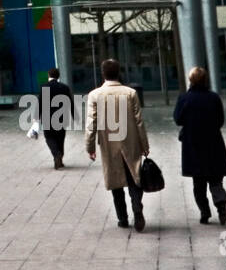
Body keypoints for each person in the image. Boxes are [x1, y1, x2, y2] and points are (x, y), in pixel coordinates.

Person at [85, 58, 149, 231]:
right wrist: (145, 145)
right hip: (131, 142)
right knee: (134, 177)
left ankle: (122, 218)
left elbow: (91, 123)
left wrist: (90, 147)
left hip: (108, 143)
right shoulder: (130, 93)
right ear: (118, 72)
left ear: (103, 73)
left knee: (116, 181)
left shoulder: (95, 95)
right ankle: (137, 208)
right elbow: (139, 122)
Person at [173, 66, 226, 225]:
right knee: (215, 180)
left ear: (190, 80)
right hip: (213, 143)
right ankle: (221, 206)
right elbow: (220, 120)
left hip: (193, 144)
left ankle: (204, 212)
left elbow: (178, 119)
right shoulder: (214, 98)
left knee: (198, 184)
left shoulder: (184, 98)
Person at [42, 68, 73, 170]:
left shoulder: (44, 87)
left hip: (47, 117)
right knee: (60, 138)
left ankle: (56, 155)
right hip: (61, 117)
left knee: (49, 137)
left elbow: (40, 103)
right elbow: (70, 102)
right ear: (58, 76)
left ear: (49, 75)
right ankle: (60, 158)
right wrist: (74, 115)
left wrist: (35, 118)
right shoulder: (64, 87)